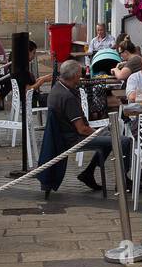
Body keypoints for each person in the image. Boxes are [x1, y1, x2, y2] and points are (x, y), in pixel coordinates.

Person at [42, 60, 132, 193]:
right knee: (124, 141)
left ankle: (88, 173)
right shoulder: (67, 97)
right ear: (73, 76)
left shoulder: (57, 88)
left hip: (63, 135)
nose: (81, 77)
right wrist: (98, 132)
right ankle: (122, 180)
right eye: (79, 74)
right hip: (73, 138)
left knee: (109, 136)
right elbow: (82, 129)